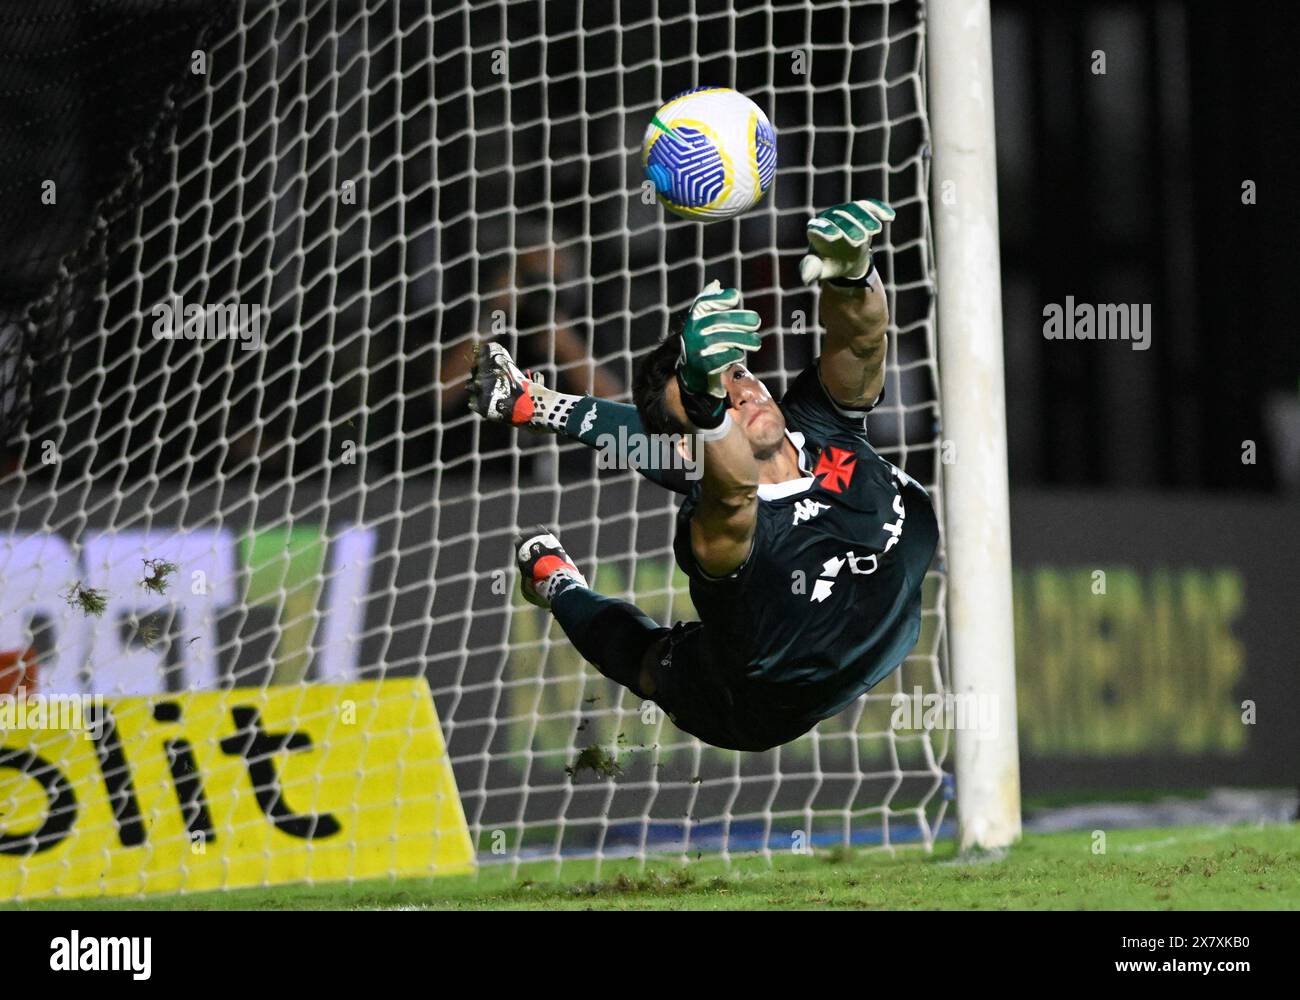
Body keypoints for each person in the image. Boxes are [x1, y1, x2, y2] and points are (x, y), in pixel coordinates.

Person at [469, 200, 938, 751]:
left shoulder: (820, 422)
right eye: (718, 396)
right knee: (652, 664)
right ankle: (556, 583)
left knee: (702, 445)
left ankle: (534, 404)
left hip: (885, 618)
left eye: (737, 373)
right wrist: (706, 412)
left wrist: (853, 274)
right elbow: (732, 491)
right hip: (753, 703)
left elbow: (860, 341)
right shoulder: (724, 527)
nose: (741, 391)